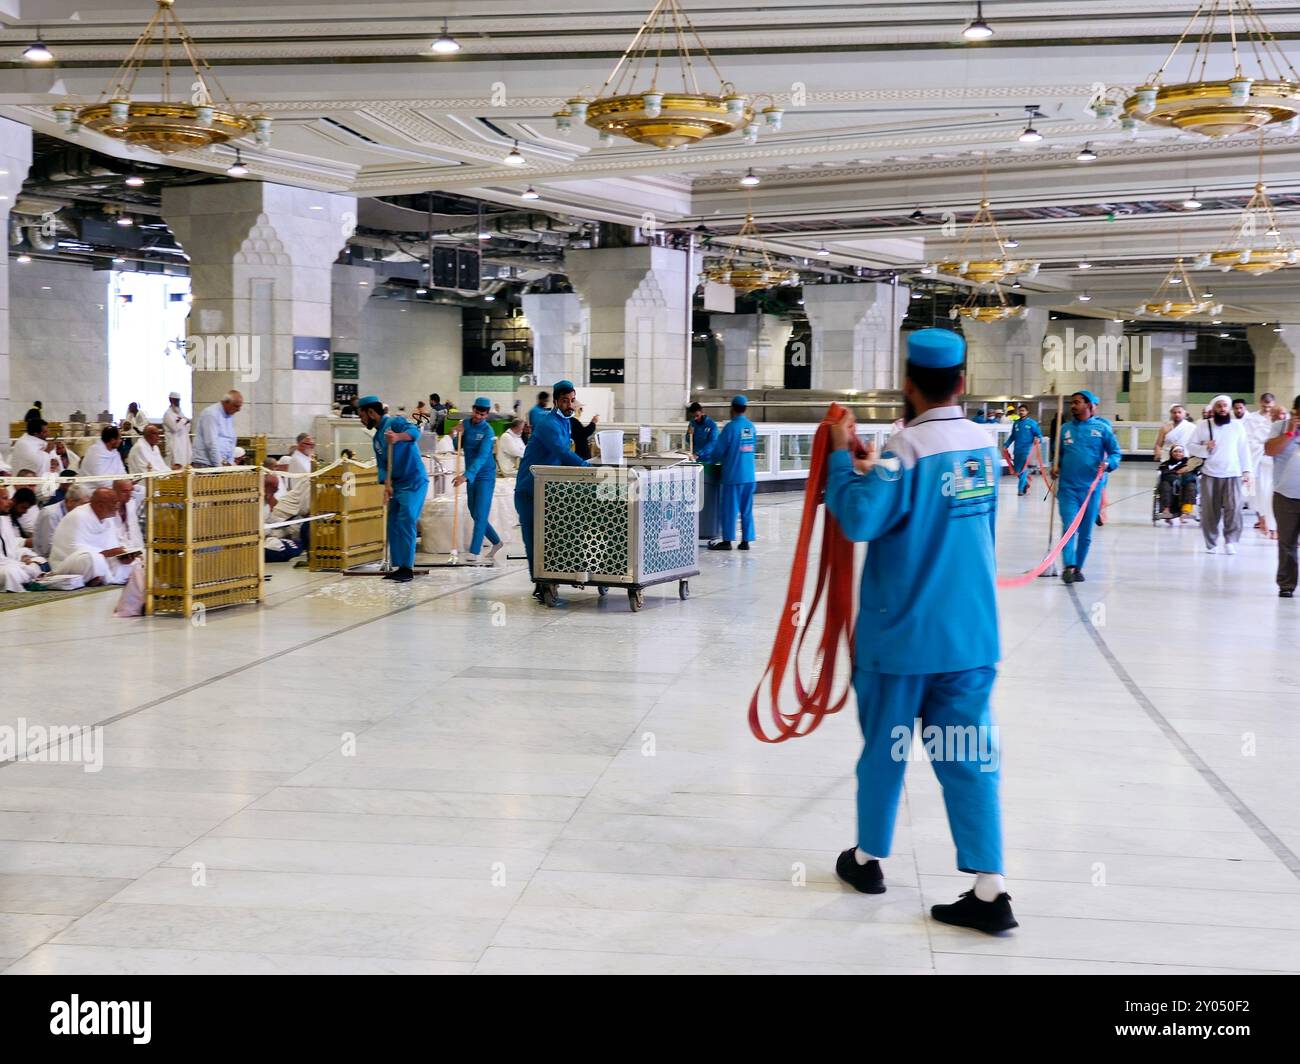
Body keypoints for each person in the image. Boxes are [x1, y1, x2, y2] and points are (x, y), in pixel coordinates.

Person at [824, 327, 1014, 933]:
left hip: (900, 638)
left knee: (885, 749)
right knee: (968, 756)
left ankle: (867, 860)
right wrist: (870, 468)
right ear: (962, 382)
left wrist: (839, 456)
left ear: (909, 385)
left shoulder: (904, 451)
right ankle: (990, 890)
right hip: (969, 638)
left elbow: (859, 519)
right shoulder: (984, 445)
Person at [515, 380, 589, 599]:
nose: (569, 404)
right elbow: (560, 451)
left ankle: (549, 578)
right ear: (556, 401)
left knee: (551, 537)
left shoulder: (565, 421)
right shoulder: (549, 424)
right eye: (564, 400)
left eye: (571, 400)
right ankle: (540, 583)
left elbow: (562, 455)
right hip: (529, 490)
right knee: (534, 539)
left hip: (548, 490)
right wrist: (587, 467)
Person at [1052, 390, 1121, 583]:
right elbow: (1057, 455)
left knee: (1086, 533)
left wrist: (1109, 464)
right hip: (1067, 489)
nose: (1073, 406)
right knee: (1068, 528)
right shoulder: (1064, 428)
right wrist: (1054, 466)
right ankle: (1069, 566)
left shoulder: (1102, 429)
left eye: (1077, 402)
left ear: (1089, 405)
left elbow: (1116, 453)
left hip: (1091, 489)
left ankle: (1078, 567)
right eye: (1072, 402)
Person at [357, 395, 428, 583]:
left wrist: (398, 437)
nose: (361, 420)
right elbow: (382, 465)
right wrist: (386, 485)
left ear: (371, 413)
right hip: (396, 484)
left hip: (414, 482)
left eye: (362, 415)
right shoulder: (376, 440)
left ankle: (407, 567)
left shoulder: (395, 423)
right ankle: (399, 566)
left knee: (406, 519)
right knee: (393, 522)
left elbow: (415, 433)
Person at [1188, 394, 1252, 555]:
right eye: (1219, 406)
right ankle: (1211, 543)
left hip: (1233, 474)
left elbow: (1244, 449)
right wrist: (1205, 448)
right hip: (1210, 474)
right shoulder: (1203, 425)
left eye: (1225, 406)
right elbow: (1190, 446)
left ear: (1228, 408)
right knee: (1210, 511)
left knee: (1235, 509)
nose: (1222, 409)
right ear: (1213, 408)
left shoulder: (1237, 426)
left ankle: (1230, 541)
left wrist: (1247, 471)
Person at [698, 395, 757, 551]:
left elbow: (718, 451)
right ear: (745, 409)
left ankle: (727, 541)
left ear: (732, 408)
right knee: (747, 509)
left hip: (733, 476)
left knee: (730, 509)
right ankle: (745, 541)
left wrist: (710, 460)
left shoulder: (731, 428)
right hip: (749, 476)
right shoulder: (751, 427)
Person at [49, 486, 140, 586]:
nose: (117, 506)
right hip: (67, 562)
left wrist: (122, 556)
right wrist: (106, 553)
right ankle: (96, 577)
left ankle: (98, 577)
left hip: (102, 558)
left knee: (133, 560)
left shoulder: (108, 518)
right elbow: (73, 551)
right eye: (114, 503)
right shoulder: (78, 516)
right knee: (90, 559)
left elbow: (112, 545)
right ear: (101, 506)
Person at [453, 397, 504, 563]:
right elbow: (457, 446)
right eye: (476, 413)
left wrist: (466, 476)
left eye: (482, 414)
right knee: (475, 512)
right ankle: (496, 542)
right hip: (471, 474)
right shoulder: (466, 424)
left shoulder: (488, 432)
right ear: (472, 409)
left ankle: (474, 552)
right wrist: (455, 433)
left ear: (487, 414)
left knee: (481, 513)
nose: (479, 417)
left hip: (485, 476)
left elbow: (482, 457)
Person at [1265, 394, 1300, 597]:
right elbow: (1269, 450)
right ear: (1295, 411)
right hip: (1285, 494)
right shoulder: (1280, 427)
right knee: (1287, 543)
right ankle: (1286, 584)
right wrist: (1290, 434)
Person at [1243, 393, 1279, 539]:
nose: (1267, 409)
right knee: (1257, 493)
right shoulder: (1251, 419)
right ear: (1260, 403)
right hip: (1256, 459)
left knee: (1269, 493)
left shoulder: (1279, 418)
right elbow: (1247, 439)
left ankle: (1272, 525)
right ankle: (1262, 520)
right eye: (1264, 406)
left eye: (1270, 406)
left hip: (1272, 461)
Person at [0, 486, 46, 592]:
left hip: (9, 563)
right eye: (5, 498)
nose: (9, 502)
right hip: (6, 566)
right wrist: (17, 563)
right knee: (10, 573)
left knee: (34, 565)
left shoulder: (4, 520)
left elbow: (11, 548)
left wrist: (22, 556)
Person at [34, 475, 86, 559]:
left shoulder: (78, 514)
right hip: (48, 559)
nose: (86, 508)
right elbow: (47, 549)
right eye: (83, 504)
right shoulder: (50, 514)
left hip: (68, 555)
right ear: (70, 502)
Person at [192, 391, 242, 468]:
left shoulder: (229, 416)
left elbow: (231, 440)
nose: (239, 409)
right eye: (236, 406)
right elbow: (211, 443)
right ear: (226, 402)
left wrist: (230, 463)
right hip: (205, 464)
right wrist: (220, 466)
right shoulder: (211, 414)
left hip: (221, 464)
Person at [1006, 403, 1042, 496]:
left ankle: (1020, 490)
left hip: (1027, 450)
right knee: (1017, 470)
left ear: (1027, 412)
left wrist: (1038, 439)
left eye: (1023, 410)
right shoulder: (1016, 423)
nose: (1021, 412)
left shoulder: (1032, 423)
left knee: (1023, 469)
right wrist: (1006, 445)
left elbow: (1039, 435)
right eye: (1020, 410)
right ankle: (1025, 484)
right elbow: (1012, 436)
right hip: (1017, 450)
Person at [1156, 445, 1199, 521]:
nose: (1178, 453)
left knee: (1191, 486)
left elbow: (1194, 474)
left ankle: (1186, 511)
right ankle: (1166, 510)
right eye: (1175, 451)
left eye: (1180, 452)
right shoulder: (1165, 464)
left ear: (1183, 453)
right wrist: (1177, 473)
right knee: (1165, 485)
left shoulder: (1189, 464)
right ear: (1171, 453)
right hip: (1171, 484)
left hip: (1185, 483)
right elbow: (1164, 475)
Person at [163, 391, 191, 468]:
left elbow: (188, 426)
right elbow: (175, 428)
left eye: (178, 400)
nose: (177, 402)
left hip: (183, 444)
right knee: (173, 465)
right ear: (170, 400)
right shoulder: (167, 414)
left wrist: (182, 421)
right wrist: (183, 421)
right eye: (175, 400)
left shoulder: (180, 413)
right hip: (173, 445)